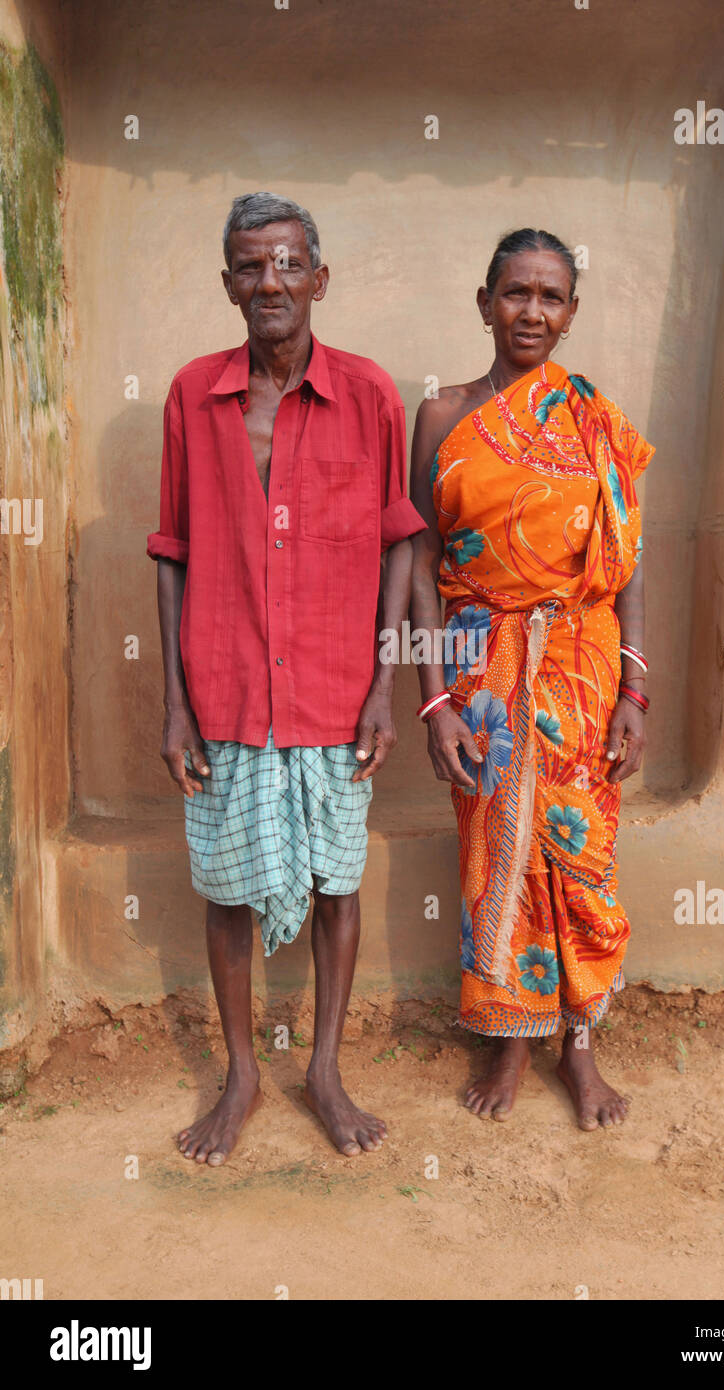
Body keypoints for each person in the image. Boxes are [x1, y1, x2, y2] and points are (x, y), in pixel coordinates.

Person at [147, 192, 425, 1163]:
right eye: (249, 266)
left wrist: (384, 684)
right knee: (225, 886)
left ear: (318, 276)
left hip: (333, 687)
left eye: (286, 263)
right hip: (226, 684)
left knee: (336, 881)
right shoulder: (193, 394)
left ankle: (325, 1072)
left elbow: (397, 540)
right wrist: (177, 701)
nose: (269, 281)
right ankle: (240, 1076)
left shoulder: (370, 395)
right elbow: (173, 550)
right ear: (229, 283)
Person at [409, 228, 654, 1129]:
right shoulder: (441, 415)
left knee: (583, 856)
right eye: (517, 293)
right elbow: (421, 560)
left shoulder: (598, 424)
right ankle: (510, 1041)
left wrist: (634, 688)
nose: (532, 312)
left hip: (583, 671)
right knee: (492, 856)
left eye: (551, 297)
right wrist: (434, 700)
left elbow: (628, 568)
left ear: (571, 315)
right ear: (485, 303)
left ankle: (580, 1047)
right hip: (481, 676)